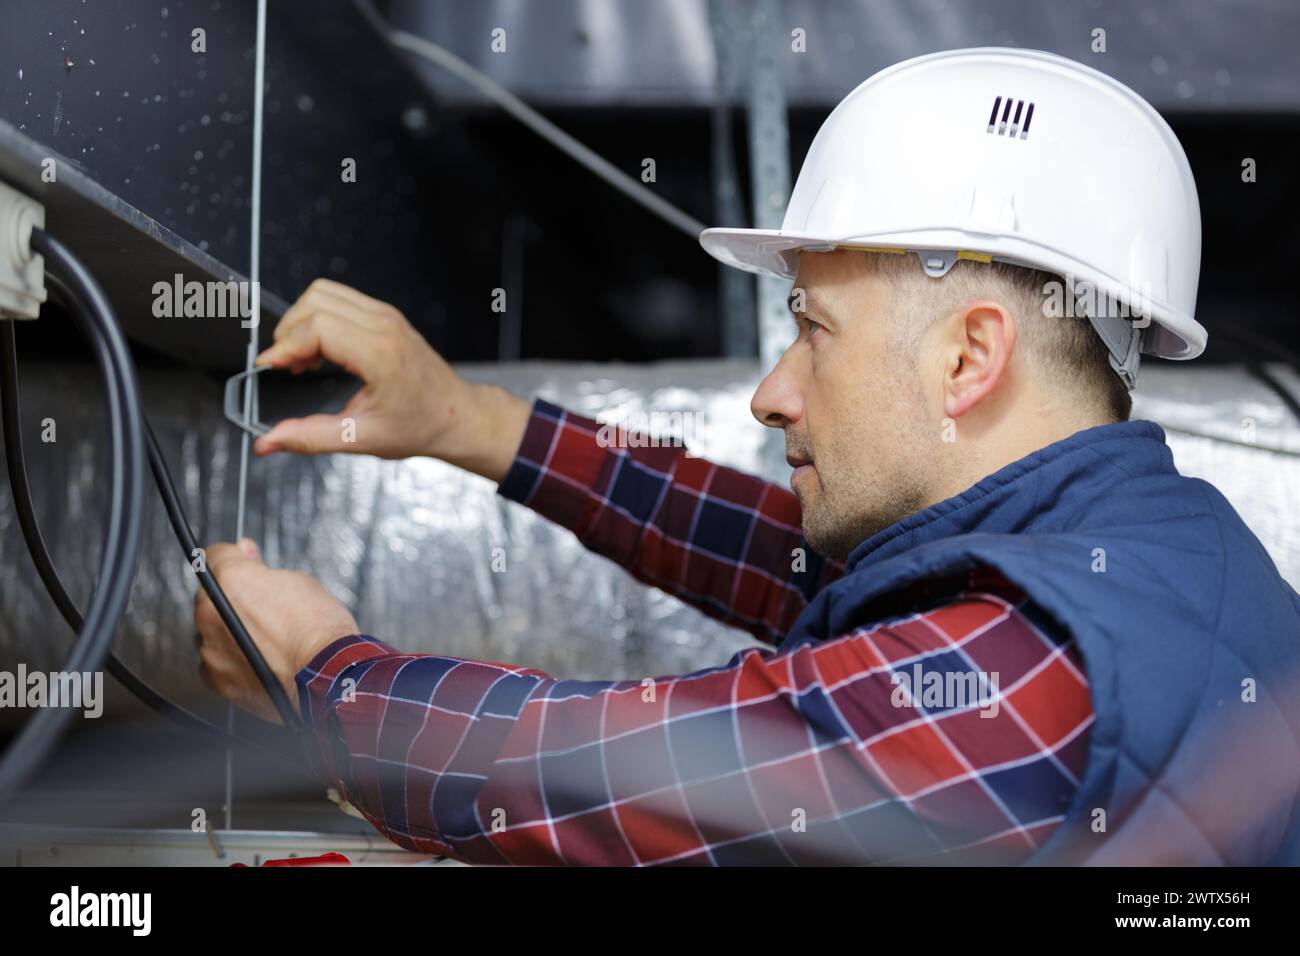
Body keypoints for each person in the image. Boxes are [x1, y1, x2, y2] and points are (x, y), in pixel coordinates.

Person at [194, 49, 1300, 865]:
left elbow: (591, 776)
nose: (773, 392)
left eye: (814, 329)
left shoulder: (1022, 680)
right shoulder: (1149, 554)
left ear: (968, 357)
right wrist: (466, 420)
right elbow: (785, 555)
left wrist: (318, 676)